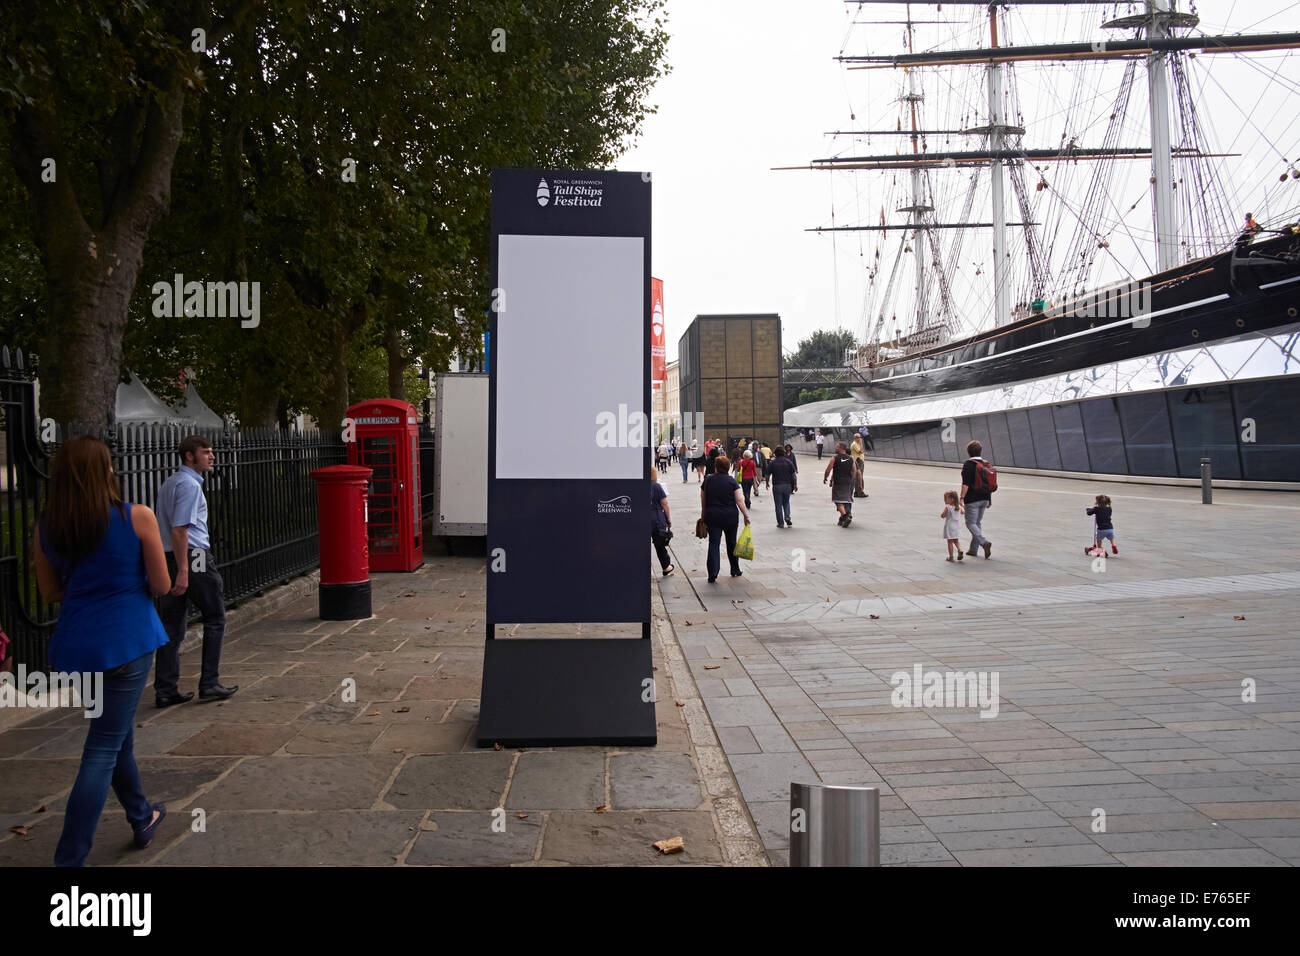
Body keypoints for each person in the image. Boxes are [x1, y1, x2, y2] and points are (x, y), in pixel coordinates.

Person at [33, 436, 172, 866]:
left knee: (116, 737)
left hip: (78, 649)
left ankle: (140, 815)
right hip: (128, 643)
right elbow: (162, 584)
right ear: (106, 472)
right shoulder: (137, 517)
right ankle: (69, 859)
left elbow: (50, 591)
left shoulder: (47, 527)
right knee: (102, 748)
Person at [155, 435, 237, 706]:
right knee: (215, 617)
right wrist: (183, 570)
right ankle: (210, 683)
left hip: (170, 556)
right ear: (190, 456)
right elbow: (180, 530)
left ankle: (165, 689)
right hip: (193, 557)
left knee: (172, 625)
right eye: (206, 452)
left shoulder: (170, 483)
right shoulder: (189, 485)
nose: (212, 456)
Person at [701, 455, 750, 582]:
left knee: (714, 543)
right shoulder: (732, 481)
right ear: (728, 467)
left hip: (712, 515)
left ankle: (712, 573)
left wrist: (703, 514)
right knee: (731, 542)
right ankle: (735, 569)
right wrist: (746, 515)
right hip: (730, 516)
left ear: (716, 467)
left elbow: (703, 498)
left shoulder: (708, 480)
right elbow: (739, 500)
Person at [960, 440, 995, 559]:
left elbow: (966, 483)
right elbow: (988, 483)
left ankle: (984, 542)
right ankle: (973, 549)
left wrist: (961, 498)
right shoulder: (986, 464)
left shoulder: (968, 464)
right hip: (985, 497)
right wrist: (989, 499)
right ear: (980, 451)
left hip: (972, 498)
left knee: (970, 523)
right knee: (977, 523)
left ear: (968, 452)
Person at [823, 441, 856, 526]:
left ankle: (845, 516)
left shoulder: (834, 458)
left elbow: (828, 469)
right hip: (848, 482)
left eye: (837, 447)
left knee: (837, 500)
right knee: (846, 499)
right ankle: (842, 518)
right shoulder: (851, 458)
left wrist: (825, 477)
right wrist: (851, 479)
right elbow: (854, 470)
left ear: (841, 448)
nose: (835, 448)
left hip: (838, 482)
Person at [650, 467, 674, 576]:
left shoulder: (638, 486)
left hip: (642, 518)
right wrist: (668, 519)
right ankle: (666, 566)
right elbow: (664, 503)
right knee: (659, 543)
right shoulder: (656, 486)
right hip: (657, 518)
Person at [770, 446, 797, 528]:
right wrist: (795, 484)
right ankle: (787, 516)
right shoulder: (788, 462)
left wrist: (767, 482)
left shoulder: (773, 462)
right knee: (786, 502)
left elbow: (767, 474)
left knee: (778, 504)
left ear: (775, 454)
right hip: (787, 485)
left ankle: (780, 523)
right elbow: (794, 475)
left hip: (777, 485)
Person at [941, 490, 964, 561]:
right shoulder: (959, 507)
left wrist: (943, 514)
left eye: (945, 499)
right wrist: (962, 506)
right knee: (956, 540)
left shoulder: (948, 507)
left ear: (952, 499)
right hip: (957, 525)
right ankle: (960, 549)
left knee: (950, 541)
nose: (944, 500)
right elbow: (963, 512)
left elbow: (942, 515)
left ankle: (951, 557)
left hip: (950, 525)